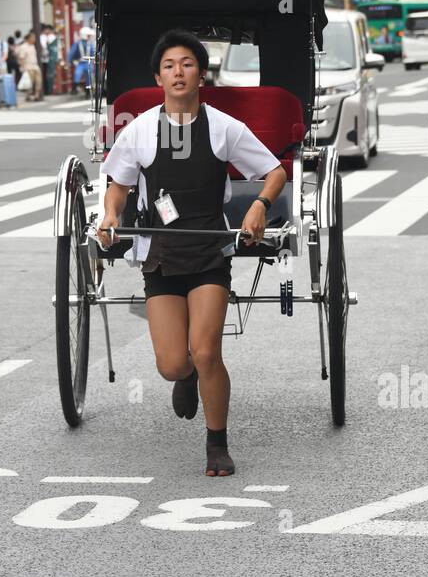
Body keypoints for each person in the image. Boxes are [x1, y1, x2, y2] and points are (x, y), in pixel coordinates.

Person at [97, 30, 288, 479]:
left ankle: (217, 442)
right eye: (169, 65)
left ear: (202, 74)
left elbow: (275, 172)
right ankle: (184, 380)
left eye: (186, 64)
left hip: (209, 250)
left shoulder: (223, 127)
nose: (178, 72)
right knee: (173, 364)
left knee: (205, 352)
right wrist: (108, 217)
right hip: (160, 253)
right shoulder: (140, 129)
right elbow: (118, 186)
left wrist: (259, 205)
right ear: (158, 77)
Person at [16, 29, 43, 102]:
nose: (34, 39)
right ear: (28, 39)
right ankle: (28, 96)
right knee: (28, 83)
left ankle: (37, 95)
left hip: (35, 66)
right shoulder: (23, 47)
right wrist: (23, 67)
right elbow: (21, 58)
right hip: (28, 67)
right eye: (32, 38)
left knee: (38, 81)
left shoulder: (33, 46)